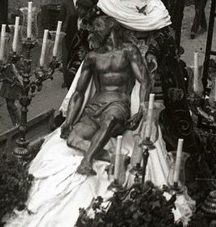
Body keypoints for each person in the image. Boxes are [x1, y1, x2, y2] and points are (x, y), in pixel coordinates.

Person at [60, 13, 149, 177]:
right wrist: (69, 120)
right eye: (93, 27)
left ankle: (86, 162)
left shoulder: (129, 51)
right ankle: (115, 158)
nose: (94, 30)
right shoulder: (92, 57)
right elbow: (79, 92)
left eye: (98, 25)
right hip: (94, 108)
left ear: (111, 25)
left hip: (118, 106)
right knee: (73, 139)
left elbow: (144, 81)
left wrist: (141, 111)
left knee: (110, 120)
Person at [59, 0, 94, 88]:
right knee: (66, 59)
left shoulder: (87, 18)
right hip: (68, 37)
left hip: (80, 45)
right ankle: (67, 80)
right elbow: (61, 19)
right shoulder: (66, 4)